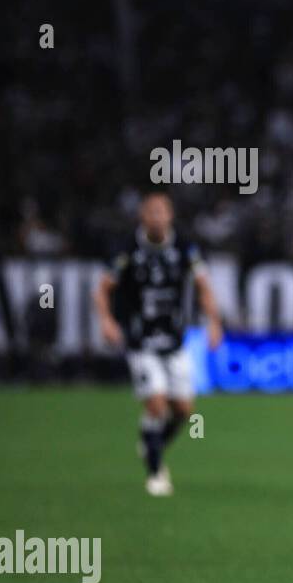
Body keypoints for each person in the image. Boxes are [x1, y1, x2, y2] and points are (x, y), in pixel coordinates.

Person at [92, 190, 223, 496]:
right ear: (142, 216)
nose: (157, 218)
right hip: (141, 342)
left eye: (162, 212)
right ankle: (155, 473)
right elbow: (102, 289)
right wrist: (107, 320)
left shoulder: (185, 247)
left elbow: (203, 286)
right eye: (151, 212)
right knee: (156, 405)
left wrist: (214, 323)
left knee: (184, 411)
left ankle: (152, 442)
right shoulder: (127, 249)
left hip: (175, 342)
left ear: (170, 216)